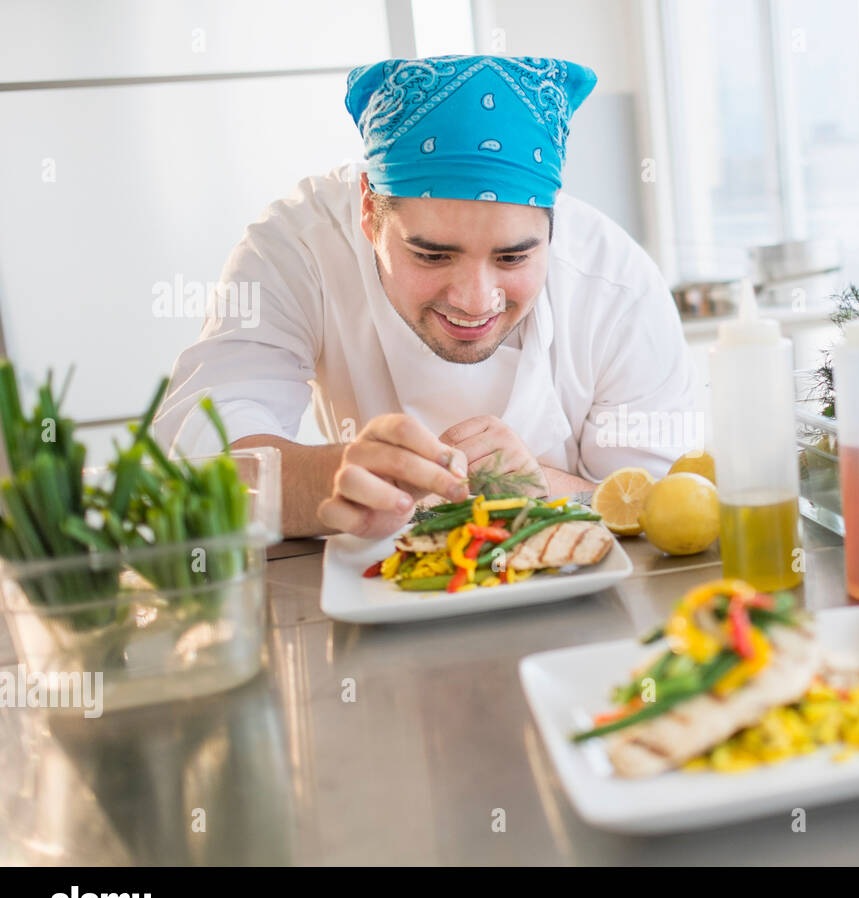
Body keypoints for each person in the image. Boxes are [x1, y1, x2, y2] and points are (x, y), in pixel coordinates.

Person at [154, 55, 697, 538]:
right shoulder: (298, 247)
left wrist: (540, 489)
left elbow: (664, 509)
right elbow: (194, 465)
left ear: (552, 229)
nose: (474, 301)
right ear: (369, 213)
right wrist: (330, 481)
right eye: (432, 256)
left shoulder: (617, 287)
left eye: (512, 259)